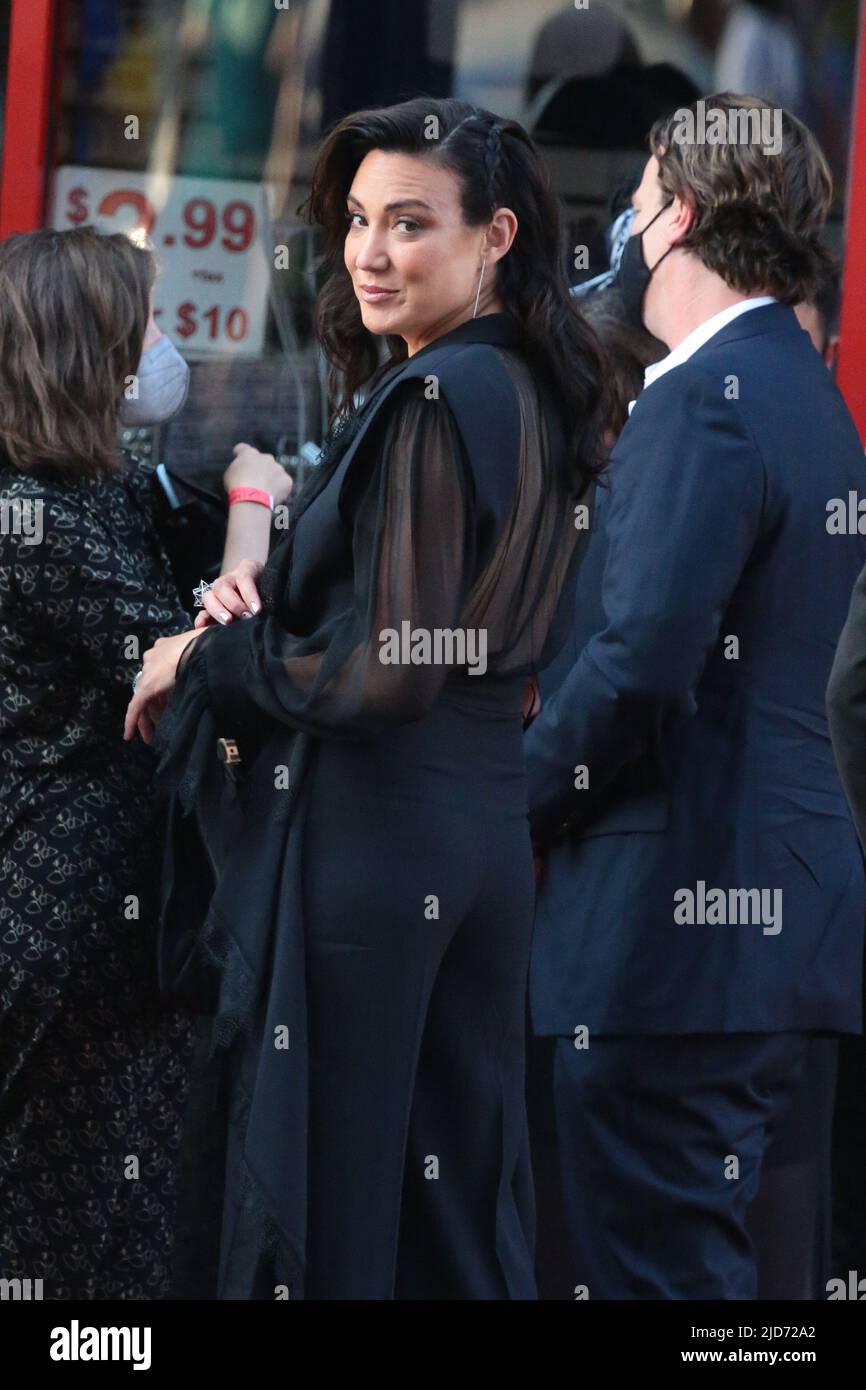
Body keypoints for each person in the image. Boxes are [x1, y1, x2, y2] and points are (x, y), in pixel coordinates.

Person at [123, 95, 608, 1301]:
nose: (369, 253)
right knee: (442, 1214)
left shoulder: (435, 397)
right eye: (353, 220)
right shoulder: (535, 384)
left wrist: (201, 660)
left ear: (495, 235)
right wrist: (278, 590)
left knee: (333, 1210)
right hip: (477, 843)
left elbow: (389, 668)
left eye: (408, 223)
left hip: (376, 852)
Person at [524, 92, 866, 1300]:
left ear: (678, 217)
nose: (622, 219)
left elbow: (639, 665)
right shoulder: (804, 397)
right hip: (765, 930)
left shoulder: (696, 401)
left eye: (638, 193)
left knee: (656, 1276)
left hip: (666, 937)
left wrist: (506, 806)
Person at [0, 226, 290, 1299]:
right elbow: (188, 668)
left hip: (102, 910)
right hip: (71, 916)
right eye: (142, 327)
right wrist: (254, 514)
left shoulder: (79, 490)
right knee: (70, 1222)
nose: (162, 349)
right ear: (89, 356)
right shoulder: (39, 520)